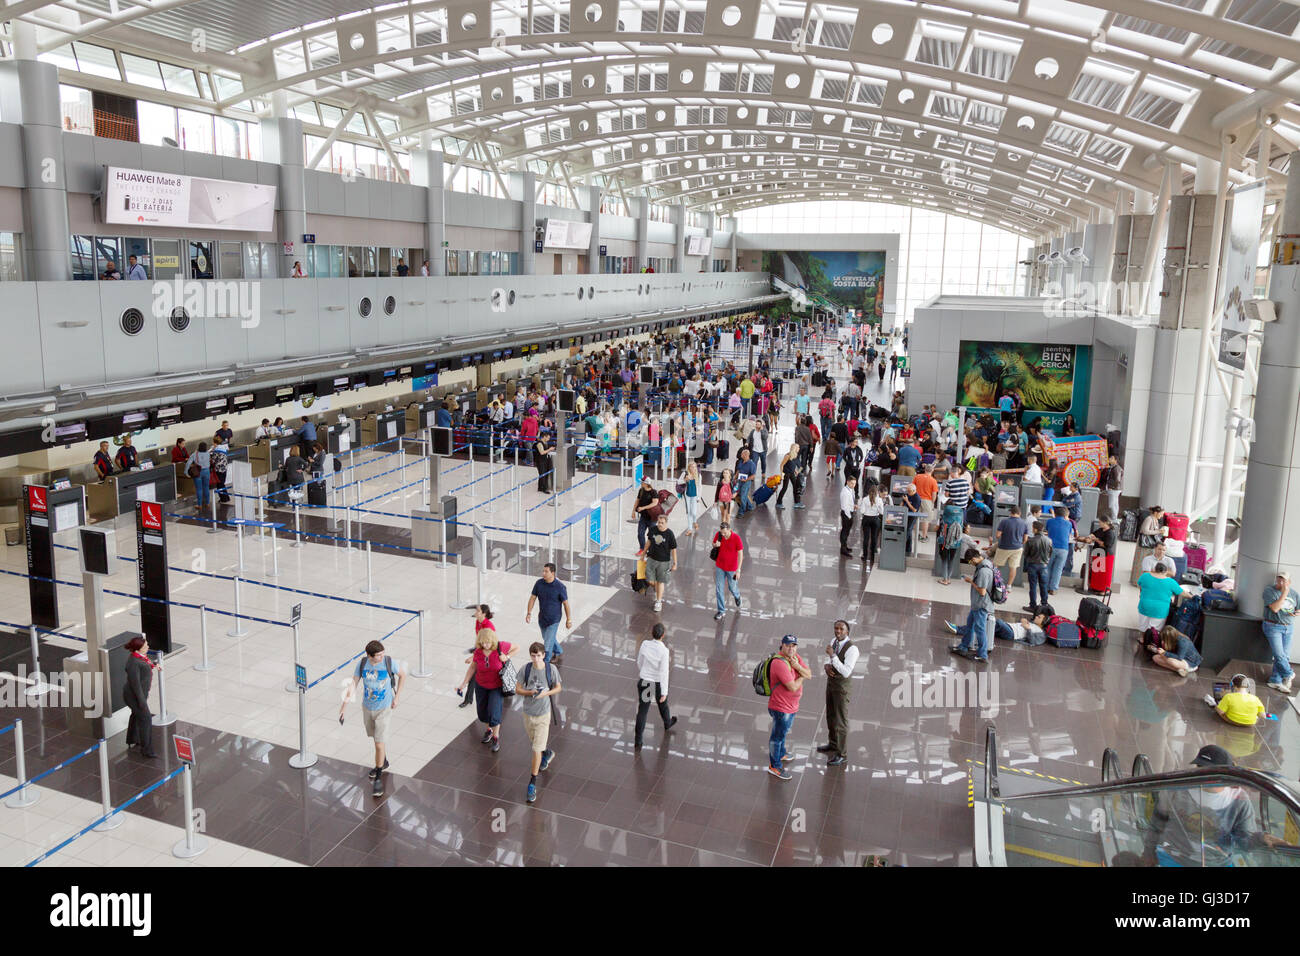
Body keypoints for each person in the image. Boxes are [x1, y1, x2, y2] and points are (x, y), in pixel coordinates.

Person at [1142, 745, 1281, 867]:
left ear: (1226, 773)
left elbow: (1244, 841)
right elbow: (1156, 824)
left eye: (1211, 770)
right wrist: (1148, 852)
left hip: (1218, 863)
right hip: (1173, 858)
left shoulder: (1239, 800)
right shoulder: (1176, 790)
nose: (1205, 774)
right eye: (1201, 768)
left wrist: (1262, 838)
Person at [341, 639, 407, 778]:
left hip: (384, 708)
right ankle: (383, 761)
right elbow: (353, 685)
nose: (382, 657)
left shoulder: (389, 662)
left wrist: (397, 697)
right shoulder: (362, 664)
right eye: (379, 655)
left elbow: (402, 675)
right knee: (376, 739)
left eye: (383, 654)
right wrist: (343, 707)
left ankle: (378, 775)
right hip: (368, 707)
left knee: (378, 743)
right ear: (369, 655)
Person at [456, 627, 515, 753]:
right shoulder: (478, 652)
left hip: (496, 687)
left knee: (494, 712)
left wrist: (507, 656)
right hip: (481, 685)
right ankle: (488, 730)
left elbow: (517, 647)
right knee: (483, 712)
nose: (485, 645)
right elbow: (472, 668)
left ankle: (495, 737)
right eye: (482, 642)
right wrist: (464, 684)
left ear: (492, 640)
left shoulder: (501, 646)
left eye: (487, 642)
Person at [517, 642, 560, 804]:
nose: (536, 659)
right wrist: (530, 692)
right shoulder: (526, 669)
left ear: (543, 655)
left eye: (539, 656)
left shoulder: (551, 670)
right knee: (535, 743)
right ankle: (547, 753)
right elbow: (517, 689)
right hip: (528, 713)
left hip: (543, 714)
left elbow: (558, 687)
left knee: (535, 749)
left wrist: (545, 694)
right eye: (533, 656)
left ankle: (532, 783)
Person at [766, 635, 811, 780]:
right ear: (782, 645)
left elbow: (810, 673)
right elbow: (792, 687)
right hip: (781, 707)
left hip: (791, 706)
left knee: (783, 732)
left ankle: (782, 753)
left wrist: (798, 667)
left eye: (793, 646)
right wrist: (802, 674)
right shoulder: (779, 663)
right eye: (788, 645)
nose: (791, 648)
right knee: (777, 737)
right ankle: (774, 766)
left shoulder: (795, 657)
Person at [817, 620, 858, 767]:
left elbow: (846, 672)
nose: (838, 631)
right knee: (830, 715)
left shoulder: (852, 649)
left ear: (847, 631)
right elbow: (831, 661)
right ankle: (833, 744)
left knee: (841, 720)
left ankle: (842, 754)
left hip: (842, 688)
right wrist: (827, 665)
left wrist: (833, 656)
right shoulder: (833, 641)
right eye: (836, 628)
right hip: (831, 683)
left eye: (841, 629)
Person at [945, 547, 993, 663]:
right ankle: (963, 647)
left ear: (975, 558)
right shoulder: (984, 565)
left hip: (981, 605)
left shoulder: (983, 571)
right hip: (977, 604)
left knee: (979, 629)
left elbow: (982, 591)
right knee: (970, 625)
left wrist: (970, 581)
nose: (971, 564)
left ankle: (982, 655)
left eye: (971, 561)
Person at [634, 623, 677, 749]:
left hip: (645, 682)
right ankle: (667, 723)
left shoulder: (645, 644)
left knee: (642, 711)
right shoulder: (664, 651)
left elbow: (639, 661)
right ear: (663, 635)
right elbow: (664, 672)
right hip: (657, 682)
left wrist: (644, 672)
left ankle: (638, 740)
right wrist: (664, 692)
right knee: (663, 705)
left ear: (652, 633)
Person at [526, 563, 573, 663]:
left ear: (553, 573)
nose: (543, 573)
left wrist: (569, 619)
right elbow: (532, 598)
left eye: (546, 571)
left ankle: (545, 662)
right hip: (542, 618)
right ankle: (559, 651)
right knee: (547, 637)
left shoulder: (560, 587)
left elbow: (566, 604)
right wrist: (529, 613)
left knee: (547, 642)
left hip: (554, 619)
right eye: (543, 571)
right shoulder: (539, 583)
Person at [1261, 570, 1299, 693]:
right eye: (1279, 579)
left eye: (1284, 580)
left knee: (1284, 656)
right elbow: (1275, 608)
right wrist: (1284, 594)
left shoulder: (1294, 593)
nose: (1281, 582)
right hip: (1272, 626)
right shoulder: (1269, 591)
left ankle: (1275, 680)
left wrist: (1297, 612)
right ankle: (1288, 674)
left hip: (1288, 626)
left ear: (1289, 582)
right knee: (1279, 654)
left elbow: (1298, 608)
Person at [123, 636, 157, 758]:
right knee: (146, 719)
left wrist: (153, 665)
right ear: (138, 649)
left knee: (137, 715)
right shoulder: (133, 663)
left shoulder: (139, 658)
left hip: (140, 695)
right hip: (135, 696)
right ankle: (146, 749)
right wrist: (142, 702)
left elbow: (146, 663)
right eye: (145, 645)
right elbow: (135, 685)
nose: (148, 646)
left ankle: (132, 738)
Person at [1136, 562, 1189, 633]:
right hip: (1160, 610)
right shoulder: (1170, 582)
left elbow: (1139, 585)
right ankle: (1150, 643)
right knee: (1154, 631)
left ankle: (1142, 638)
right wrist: (1192, 596)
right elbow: (1182, 593)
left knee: (1143, 626)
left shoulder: (1145, 576)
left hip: (1144, 606)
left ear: (1154, 569)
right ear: (1166, 572)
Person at [643, 513, 678, 612]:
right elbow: (648, 542)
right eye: (659, 522)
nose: (660, 524)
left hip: (664, 561)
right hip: (651, 558)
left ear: (666, 523)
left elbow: (674, 549)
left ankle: (658, 601)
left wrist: (675, 563)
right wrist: (643, 554)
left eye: (662, 523)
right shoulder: (653, 529)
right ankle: (656, 589)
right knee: (650, 580)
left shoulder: (670, 534)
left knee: (660, 581)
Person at [710, 522, 744, 621]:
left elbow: (740, 554)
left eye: (725, 533)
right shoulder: (719, 534)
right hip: (720, 566)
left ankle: (737, 596)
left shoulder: (736, 538)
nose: (723, 535)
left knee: (732, 587)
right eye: (722, 533)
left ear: (729, 529)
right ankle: (721, 611)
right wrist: (715, 544)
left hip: (732, 569)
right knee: (719, 588)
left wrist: (738, 570)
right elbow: (713, 543)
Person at [992, 505, 1026, 590]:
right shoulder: (1023, 523)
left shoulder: (1004, 521)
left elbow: (997, 535)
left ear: (1011, 513)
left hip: (1004, 547)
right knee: (1013, 567)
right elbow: (1025, 539)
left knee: (996, 565)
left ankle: (993, 582)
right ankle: (1009, 586)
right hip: (1017, 548)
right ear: (1019, 513)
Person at [1022, 521, 1053, 611]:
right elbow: (1050, 552)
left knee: (1033, 586)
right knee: (1043, 586)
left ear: (1035, 529)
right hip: (1044, 565)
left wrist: (1029, 559)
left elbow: (1026, 554)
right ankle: (1044, 604)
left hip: (1033, 565)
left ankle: (1033, 605)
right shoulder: (1048, 540)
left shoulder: (1031, 540)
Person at [1044, 506, 1073, 594]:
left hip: (1051, 547)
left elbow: (1048, 531)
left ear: (1055, 514)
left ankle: (1045, 587)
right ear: (1065, 515)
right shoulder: (1069, 524)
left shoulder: (1050, 521)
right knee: (1058, 569)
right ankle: (1053, 589)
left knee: (1048, 567)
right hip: (1063, 548)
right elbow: (1069, 534)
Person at [859, 482, 885, 566]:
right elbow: (882, 512)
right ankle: (873, 555)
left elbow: (862, 511)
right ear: (877, 492)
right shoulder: (879, 500)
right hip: (875, 519)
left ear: (869, 491)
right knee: (874, 538)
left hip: (866, 519)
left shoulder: (865, 499)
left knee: (866, 538)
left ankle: (865, 555)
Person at [775, 445, 804, 510]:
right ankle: (778, 503)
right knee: (785, 488)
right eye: (798, 447)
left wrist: (797, 471)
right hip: (786, 473)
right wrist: (782, 475)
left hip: (792, 473)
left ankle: (797, 502)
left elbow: (800, 467)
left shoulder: (796, 455)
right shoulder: (787, 456)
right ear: (795, 448)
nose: (799, 448)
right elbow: (781, 465)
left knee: (796, 487)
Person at [633, 477, 659, 549]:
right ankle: (642, 549)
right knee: (640, 534)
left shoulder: (653, 492)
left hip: (652, 518)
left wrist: (643, 508)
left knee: (652, 535)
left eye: (642, 482)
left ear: (646, 484)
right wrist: (633, 511)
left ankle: (654, 549)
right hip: (643, 517)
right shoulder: (641, 490)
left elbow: (655, 503)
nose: (641, 483)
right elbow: (637, 501)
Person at [734, 446, 758, 514]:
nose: (741, 455)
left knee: (743, 496)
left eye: (742, 454)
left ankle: (742, 511)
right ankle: (750, 506)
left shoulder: (751, 464)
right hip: (739, 481)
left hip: (746, 482)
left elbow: (753, 476)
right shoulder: (740, 461)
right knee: (741, 494)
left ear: (746, 455)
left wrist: (746, 479)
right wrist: (735, 478)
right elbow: (738, 470)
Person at [838, 474, 858, 557]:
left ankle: (845, 547)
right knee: (844, 532)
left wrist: (853, 506)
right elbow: (845, 506)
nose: (853, 485)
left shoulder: (850, 489)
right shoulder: (845, 492)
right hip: (847, 514)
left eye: (854, 483)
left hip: (849, 512)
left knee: (846, 531)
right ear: (847, 482)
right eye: (852, 483)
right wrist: (849, 517)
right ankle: (843, 549)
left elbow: (849, 502)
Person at [187, 441, 210, 510]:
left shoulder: (195, 454)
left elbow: (188, 463)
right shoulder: (208, 453)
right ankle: (207, 503)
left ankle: (199, 505)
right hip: (207, 471)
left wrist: (186, 472)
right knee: (206, 487)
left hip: (198, 472)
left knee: (199, 489)